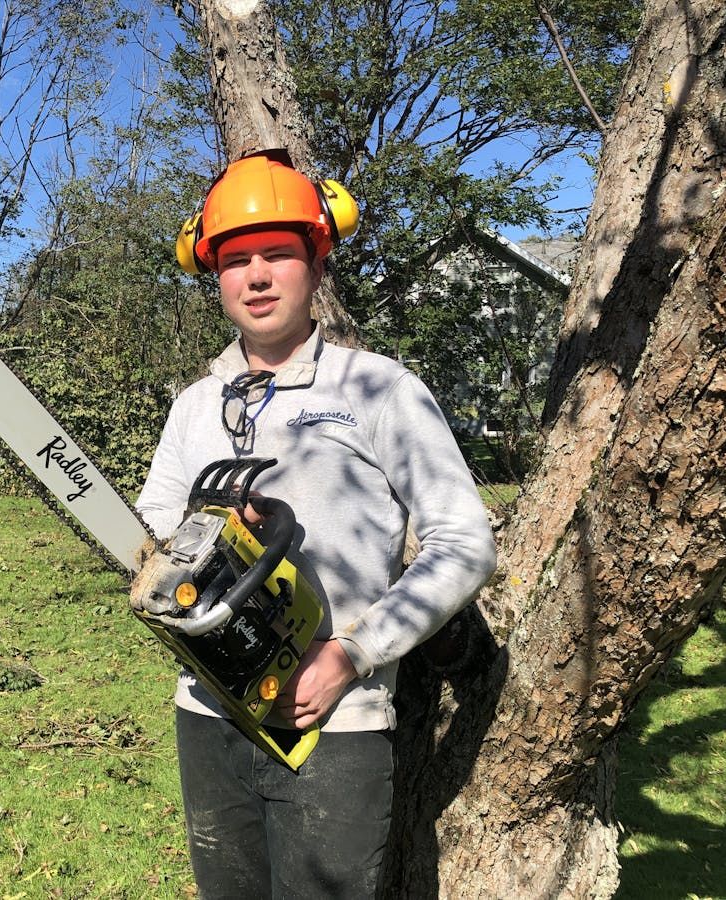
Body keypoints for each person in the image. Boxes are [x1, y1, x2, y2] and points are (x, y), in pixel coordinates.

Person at [135, 150, 497, 898]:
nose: (257, 277)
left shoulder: (377, 387)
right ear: (213, 273)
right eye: (236, 260)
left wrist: (354, 654)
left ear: (316, 262)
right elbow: (150, 532)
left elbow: (464, 541)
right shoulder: (196, 403)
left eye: (277, 254)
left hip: (335, 718)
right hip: (208, 707)